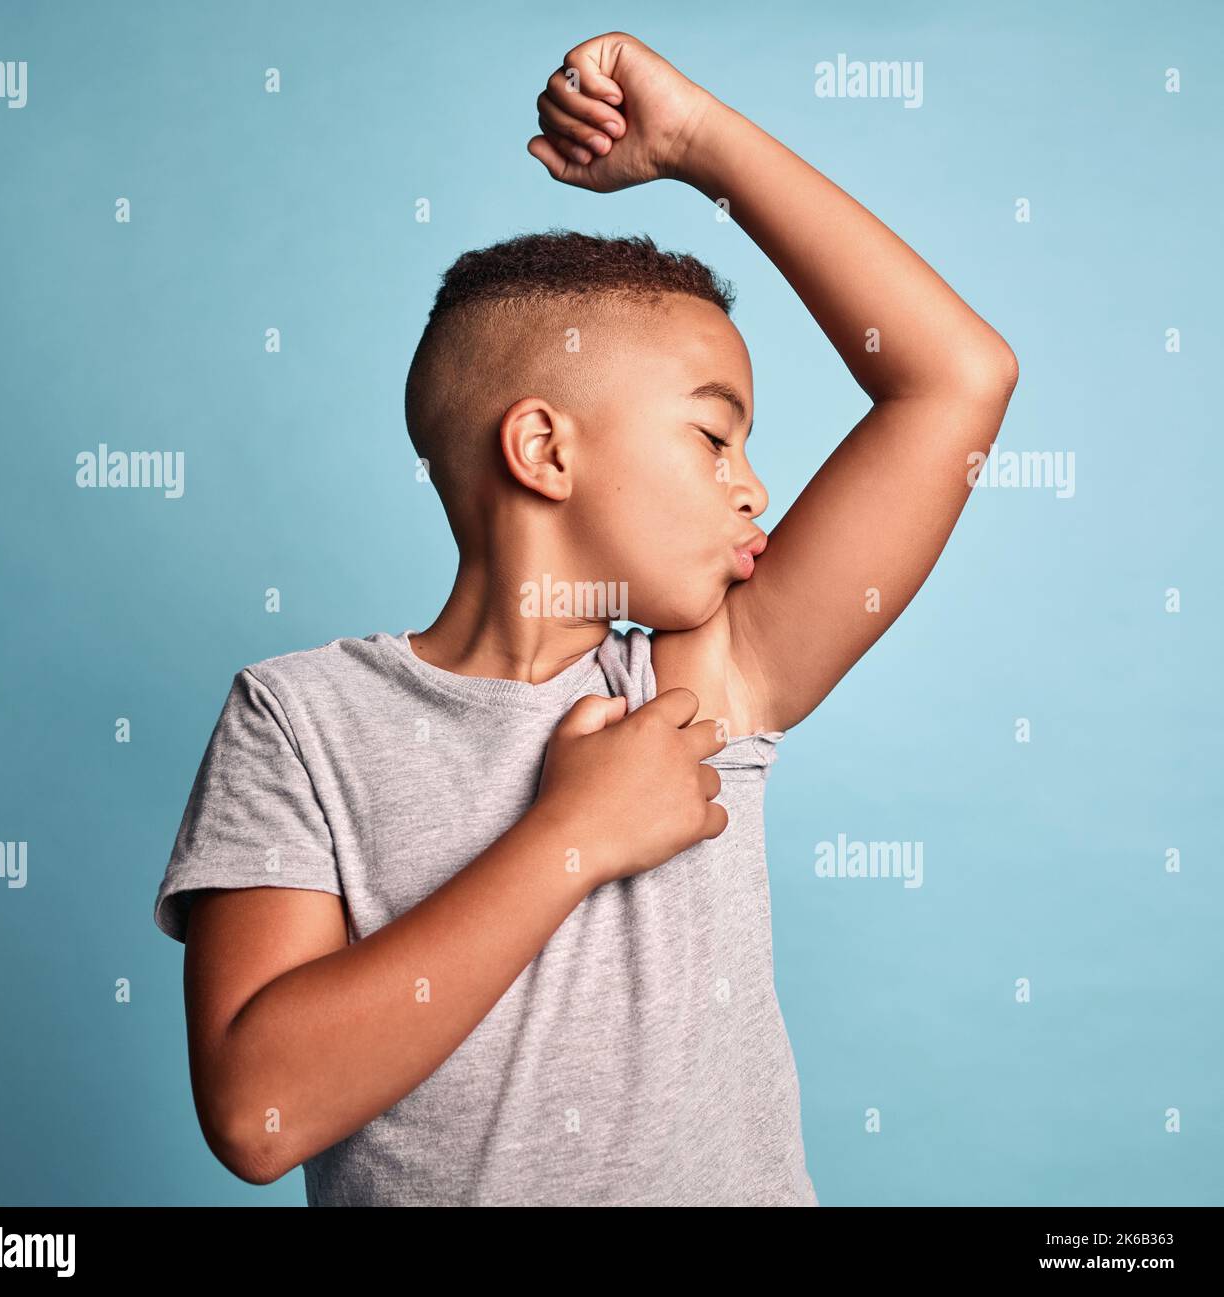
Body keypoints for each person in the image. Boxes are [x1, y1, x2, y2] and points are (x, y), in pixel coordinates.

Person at [153, 30, 1017, 1206]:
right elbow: (259, 1116)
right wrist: (571, 839)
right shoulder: (299, 718)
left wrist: (699, 144)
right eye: (715, 435)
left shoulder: (697, 679)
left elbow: (957, 378)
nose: (755, 483)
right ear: (545, 449)